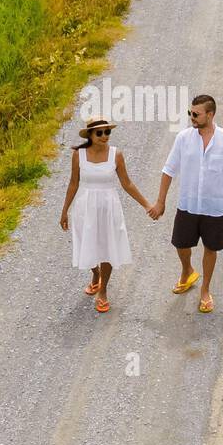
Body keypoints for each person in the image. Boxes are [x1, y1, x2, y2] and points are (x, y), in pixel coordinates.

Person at [148, 94, 223, 313]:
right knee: (181, 244)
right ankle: (187, 271)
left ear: (210, 115)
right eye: (190, 113)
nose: (192, 117)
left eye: (196, 114)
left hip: (215, 207)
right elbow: (168, 169)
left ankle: (205, 290)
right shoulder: (183, 138)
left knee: (211, 248)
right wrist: (160, 201)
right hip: (188, 204)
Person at [60, 117, 152, 313]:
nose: (104, 136)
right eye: (99, 133)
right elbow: (73, 183)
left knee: (107, 246)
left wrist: (146, 205)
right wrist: (64, 211)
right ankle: (96, 274)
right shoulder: (79, 155)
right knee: (87, 244)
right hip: (85, 207)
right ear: (90, 135)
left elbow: (127, 184)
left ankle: (103, 291)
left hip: (108, 207)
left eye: (107, 132)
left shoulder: (116, 155)